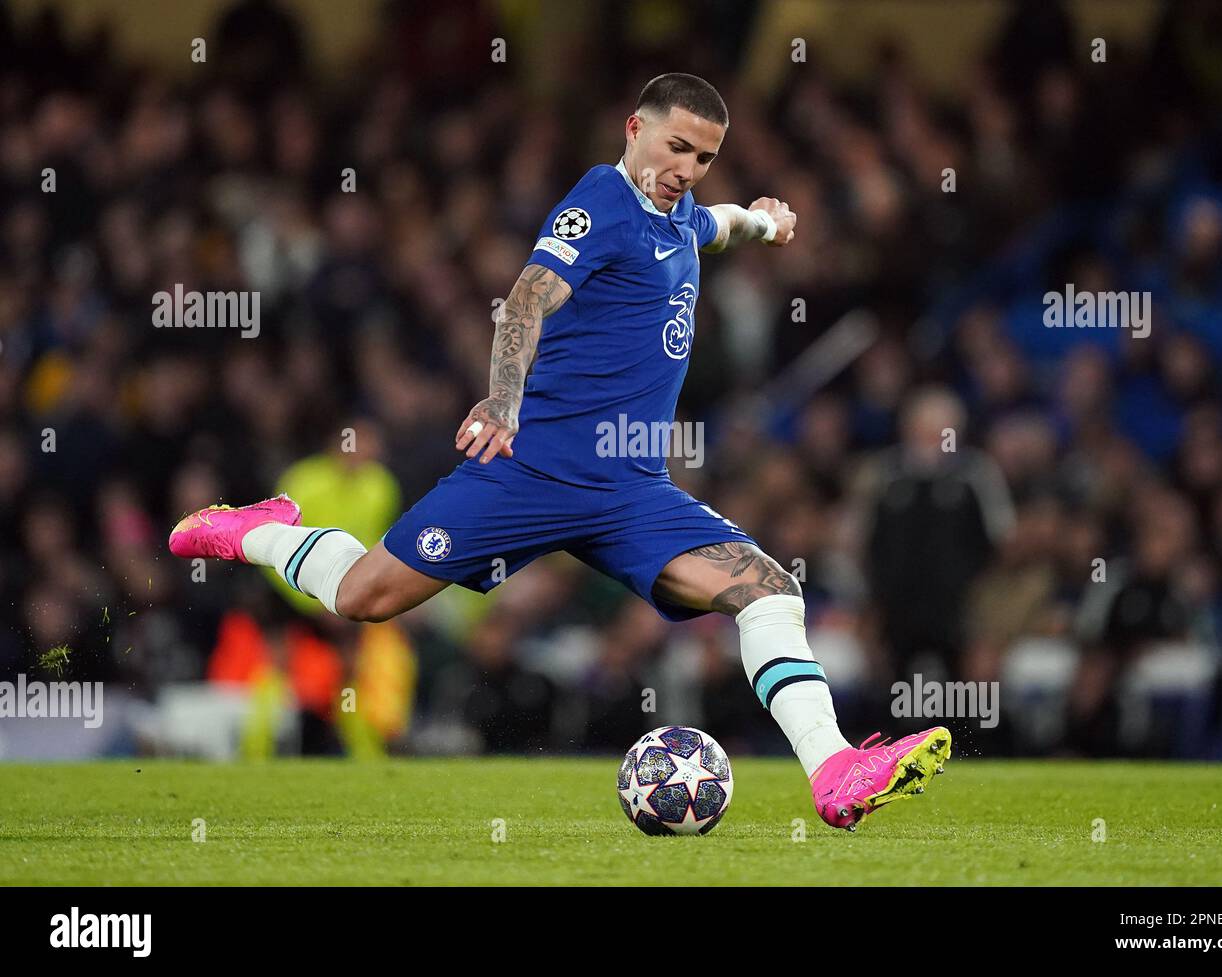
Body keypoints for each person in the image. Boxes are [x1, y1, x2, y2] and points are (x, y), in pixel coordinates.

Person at [169, 73, 950, 830]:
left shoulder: (678, 216)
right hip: (531, 471)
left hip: (630, 490)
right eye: (676, 147)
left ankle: (835, 767)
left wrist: (764, 220)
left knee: (771, 591)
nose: (686, 170)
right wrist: (503, 401)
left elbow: (718, 225)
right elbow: (527, 299)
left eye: (705, 157)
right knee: (364, 598)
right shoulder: (601, 202)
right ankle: (260, 529)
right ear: (634, 129)